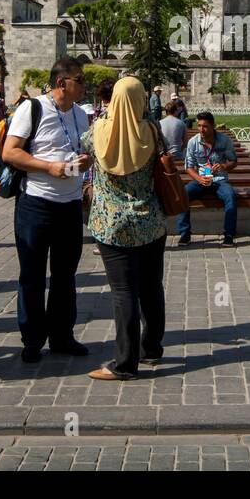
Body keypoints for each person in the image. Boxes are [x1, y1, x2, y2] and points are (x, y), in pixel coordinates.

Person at [2, 57, 93, 363]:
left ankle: (62, 335)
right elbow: (10, 152)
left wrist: (84, 163)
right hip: (36, 204)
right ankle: (31, 339)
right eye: (79, 80)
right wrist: (48, 167)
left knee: (65, 275)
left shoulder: (81, 115)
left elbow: (81, 151)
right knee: (32, 274)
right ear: (61, 83)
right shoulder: (33, 108)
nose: (84, 85)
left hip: (69, 205)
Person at [81, 77, 166, 380]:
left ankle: (125, 363)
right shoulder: (152, 131)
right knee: (152, 286)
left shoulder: (98, 132)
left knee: (123, 292)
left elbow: (83, 143)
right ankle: (152, 347)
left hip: (112, 224)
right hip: (150, 222)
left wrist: (107, 114)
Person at [177, 111, 240, 246]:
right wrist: (199, 179)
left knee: (230, 196)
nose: (201, 129)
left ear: (213, 126)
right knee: (183, 194)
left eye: (205, 126)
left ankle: (229, 234)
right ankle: (184, 233)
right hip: (201, 179)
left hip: (220, 180)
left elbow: (233, 162)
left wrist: (223, 165)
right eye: (199, 126)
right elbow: (189, 166)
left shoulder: (224, 141)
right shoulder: (193, 142)